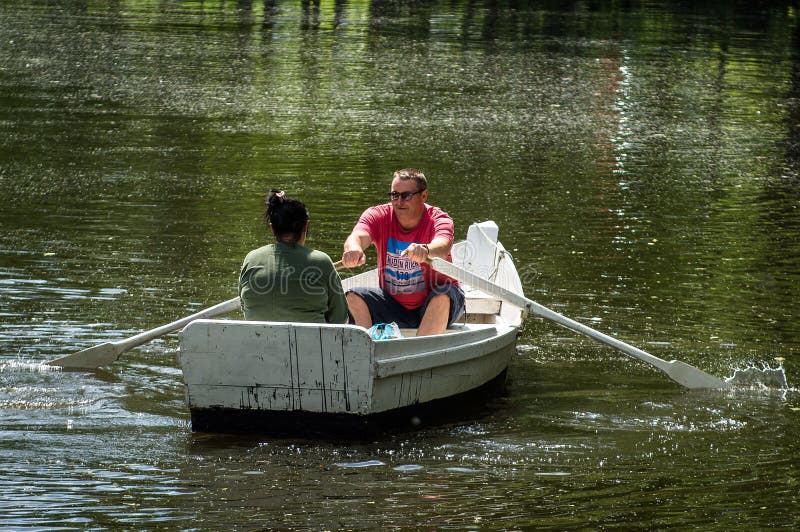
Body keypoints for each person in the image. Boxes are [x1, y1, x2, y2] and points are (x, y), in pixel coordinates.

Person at [341, 168, 465, 336]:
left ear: (423, 196)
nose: (399, 202)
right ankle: (366, 352)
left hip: (436, 301)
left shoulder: (439, 218)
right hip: (394, 304)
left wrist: (426, 250)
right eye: (394, 195)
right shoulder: (377, 215)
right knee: (353, 296)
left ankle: (422, 355)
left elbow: (443, 245)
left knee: (441, 296)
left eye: (406, 196)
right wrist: (353, 249)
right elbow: (358, 235)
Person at [240, 189, 348, 324]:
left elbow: (245, 307)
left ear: (272, 228)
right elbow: (340, 318)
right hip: (311, 344)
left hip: (257, 343)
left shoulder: (251, 259)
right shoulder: (322, 261)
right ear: (306, 226)